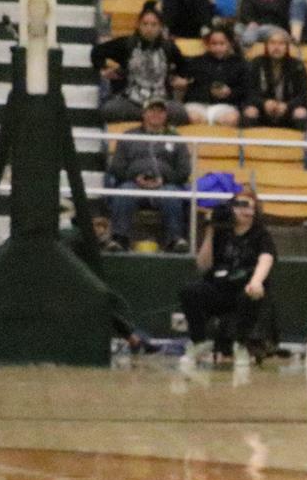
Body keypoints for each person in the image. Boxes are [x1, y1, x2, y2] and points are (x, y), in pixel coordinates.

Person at [178, 190, 274, 365]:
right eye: (238, 205)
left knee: (250, 295)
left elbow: (266, 258)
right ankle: (199, 342)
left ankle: (241, 345)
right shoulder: (222, 233)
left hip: (245, 290)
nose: (242, 210)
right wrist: (210, 231)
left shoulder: (261, 235)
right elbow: (203, 265)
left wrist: (256, 281)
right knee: (190, 291)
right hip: (220, 288)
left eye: (247, 206)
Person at [106, 99, 193, 250]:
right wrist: (135, 178)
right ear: (144, 113)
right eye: (152, 110)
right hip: (133, 183)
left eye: (160, 111)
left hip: (165, 185)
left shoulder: (176, 138)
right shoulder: (128, 136)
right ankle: (119, 239)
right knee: (124, 191)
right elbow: (117, 167)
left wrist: (163, 180)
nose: (156, 114)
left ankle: (175, 239)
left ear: (166, 115)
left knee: (171, 194)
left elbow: (184, 170)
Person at [94, 3, 187, 124]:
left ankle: (150, 117)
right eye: (145, 24)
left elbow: (185, 67)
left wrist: (180, 79)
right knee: (108, 110)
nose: (149, 28)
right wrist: (103, 69)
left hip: (161, 101)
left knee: (180, 113)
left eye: (154, 25)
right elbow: (97, 52)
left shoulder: (169, 47)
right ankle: (150, 118)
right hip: (131, 101)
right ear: (138, 25)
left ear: (160, 27)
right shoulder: (126, 43)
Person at [181, 25, 251, 126]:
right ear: (208, 45)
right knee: (193, 117)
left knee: (230, 119)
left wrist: (230, 92)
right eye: (214, 44)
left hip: (226, 106)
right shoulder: (196, 62)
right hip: (198, 104)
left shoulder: (240, 64)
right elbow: (189, 87)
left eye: (222, 43)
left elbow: (245, 90)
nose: (218, 47)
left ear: (230, 44)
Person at [242, 28, 307, 129]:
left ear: (287, 47)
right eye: (272, 43)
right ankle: (250, 144)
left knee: (301, 113)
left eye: (281, 43)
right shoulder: (256, 63)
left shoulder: (297, 66)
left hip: (288, 110)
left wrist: (287, 106)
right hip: (262, 109)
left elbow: (303, 96)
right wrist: (264, 103)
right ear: (266, 46)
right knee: (250, 111)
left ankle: (298, 144)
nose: (276, 47)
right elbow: (248, 92)